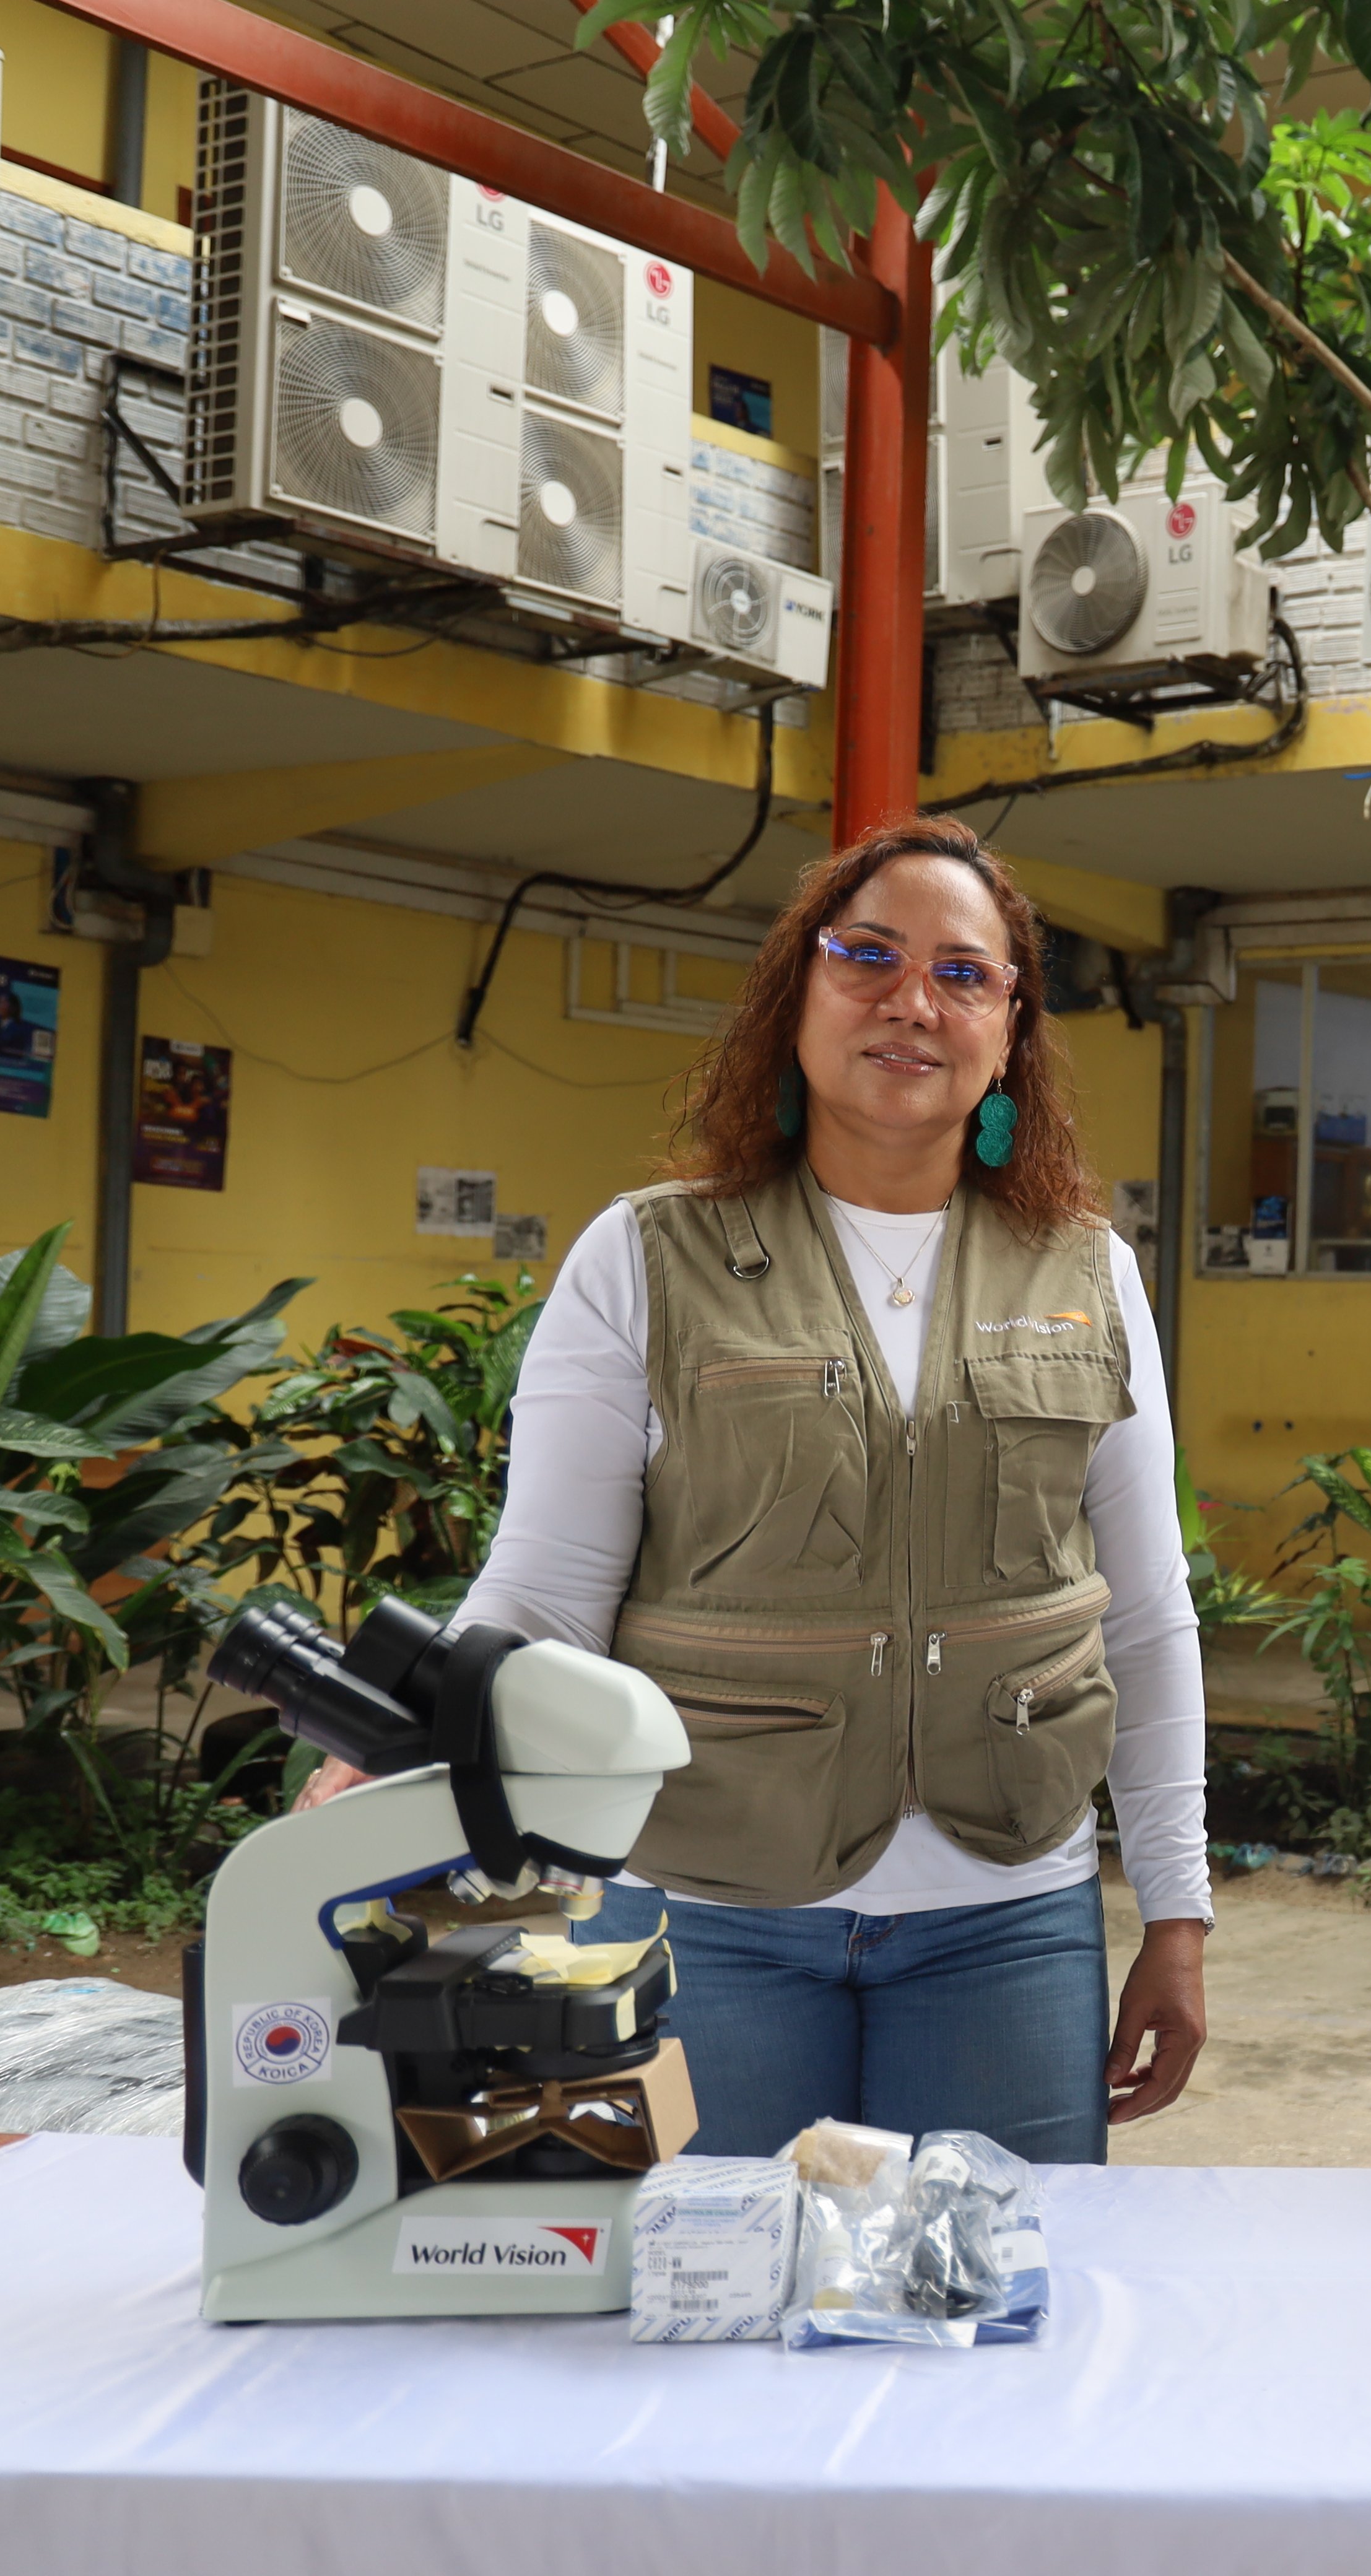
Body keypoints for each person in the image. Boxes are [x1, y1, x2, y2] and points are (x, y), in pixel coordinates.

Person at [298, 816, 1211, 2162]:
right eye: (869, 956)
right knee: (709, 2313)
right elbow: (547, 1589)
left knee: (989, 2325)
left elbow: (1145, 1613)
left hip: (1007, 1915)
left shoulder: (1086, 1272)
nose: (913, 1001)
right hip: (706, 1910)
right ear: (800, 993)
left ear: (1012, 1030)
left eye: (965, 975)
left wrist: (1178, 1916)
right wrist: (389, 1744)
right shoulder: (645, 1259)